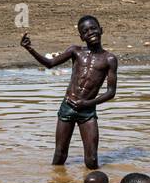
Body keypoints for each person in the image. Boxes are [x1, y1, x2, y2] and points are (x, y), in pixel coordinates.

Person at [19, 15, 118, 167]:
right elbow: (50, 64)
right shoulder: (75, 51)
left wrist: (87, 103)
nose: (90, 32)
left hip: (88, 111)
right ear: (81, 36)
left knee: (91, 160)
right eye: (85, 31)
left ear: (101, 30)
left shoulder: (109, 59)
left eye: (93, 28)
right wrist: (29, 48)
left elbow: (111, 92)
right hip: (68, 107)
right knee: (60, 154)